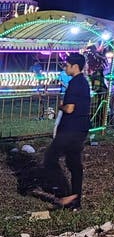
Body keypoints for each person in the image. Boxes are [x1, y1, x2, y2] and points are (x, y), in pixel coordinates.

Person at [42, 53, 90, 210]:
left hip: (70, 129)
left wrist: (61, 106)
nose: (65, 68)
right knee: (74, 163)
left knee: (50, 158)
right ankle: (76, 199)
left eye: (67, 65)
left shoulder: (75, 83)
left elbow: (70, 108)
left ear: (74, 66)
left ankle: (64, 194)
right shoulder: (84, 82)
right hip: (81, 129)